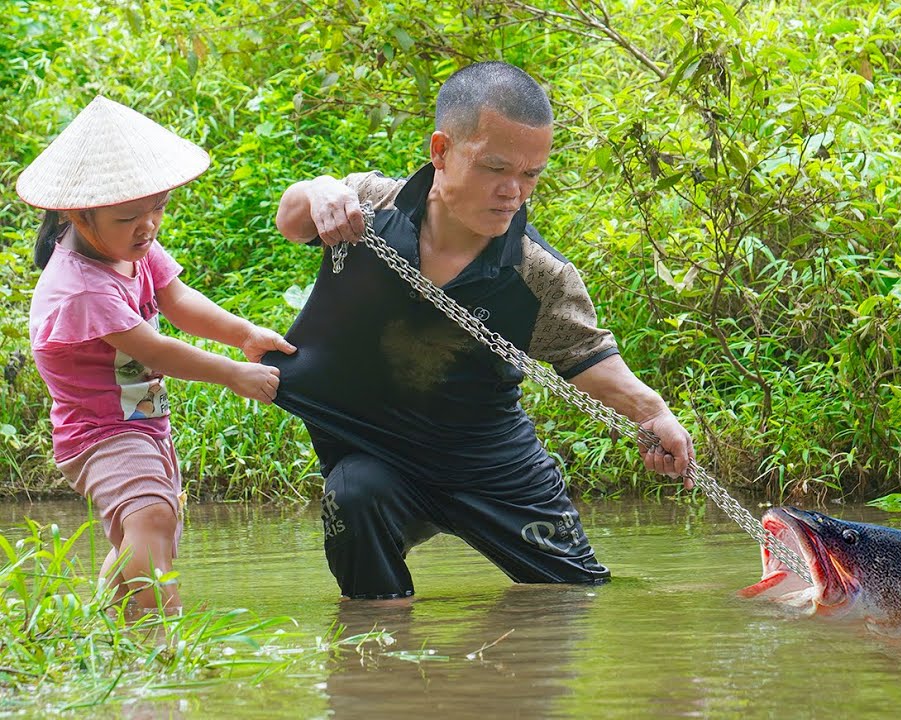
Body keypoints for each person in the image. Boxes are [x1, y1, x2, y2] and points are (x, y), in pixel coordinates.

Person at [267, 61, 694, 600]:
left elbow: (586, 355)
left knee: (577, 597)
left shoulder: (539, 274)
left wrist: (653, 413)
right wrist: (318, 189)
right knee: (353, 497)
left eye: (531, 174)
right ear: (441, 151)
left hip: (492, 464)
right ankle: (384, 643)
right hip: (377, 459)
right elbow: (291, 221)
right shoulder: (368, 207)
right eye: (495, 168)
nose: (513, 191)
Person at [18, 95, 297, 614]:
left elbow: (179, 300)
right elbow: (155, 349)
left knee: (152, 529)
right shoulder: (81, 286)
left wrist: (243, 333)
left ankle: (103, 627)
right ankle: (162, 637)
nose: (148, 226)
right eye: (129, 217)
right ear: (79, 216)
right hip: (100, 433)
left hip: (142, 423)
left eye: (158, 208)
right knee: (152, 517)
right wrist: (233, 374)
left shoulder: (130, 248)